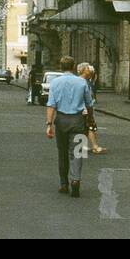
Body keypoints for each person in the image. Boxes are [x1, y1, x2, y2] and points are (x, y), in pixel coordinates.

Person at [44, 56, 93, 198]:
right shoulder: (82, 82)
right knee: (78, 152)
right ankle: (76, 180)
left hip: (61, 121)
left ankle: (64, 184)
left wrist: (49, 124)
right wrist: (90, 120)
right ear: (73, 67)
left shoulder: (55, 83)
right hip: (78, 121)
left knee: (62, 153)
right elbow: (89, 104)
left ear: (61, 67)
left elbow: (51, 105)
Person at [77, 63, 106, 154]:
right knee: (90, 126)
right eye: (88, 68)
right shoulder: (81, 81)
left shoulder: (86, 80)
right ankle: (94, 146)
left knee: (85, 127)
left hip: (84, 107)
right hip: (84, 108)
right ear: (83, 70)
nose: (90, 69)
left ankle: (82, 146)